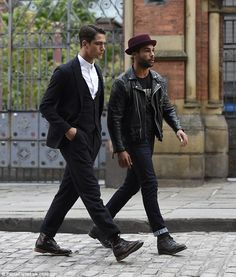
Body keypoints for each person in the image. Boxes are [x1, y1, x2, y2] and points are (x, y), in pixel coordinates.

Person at [34, 25, 143, 262]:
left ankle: (45, 238)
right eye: (99, 43)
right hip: (73, 140)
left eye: (104, 43)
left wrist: (100, 136)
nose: (103, 47)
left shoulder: (97, 71)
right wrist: (69, 130)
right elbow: (46, 106)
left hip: (91, 139)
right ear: (85, 44)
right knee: (91, 190)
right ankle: (116, 240)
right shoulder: (64, 72)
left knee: (69, 191)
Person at [89, 34, 188, 255]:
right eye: (146, 51)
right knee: (149, 183)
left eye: (153, 50)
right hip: (133, 141)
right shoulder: (123, 83)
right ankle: (162, 236)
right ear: (135, 54)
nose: (151, 54)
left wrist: (178, 128)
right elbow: (113, 119)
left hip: (148, 139)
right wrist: (120, 148)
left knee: (131, 186)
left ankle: (99, 227)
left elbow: (166, 108)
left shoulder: (158, 81)